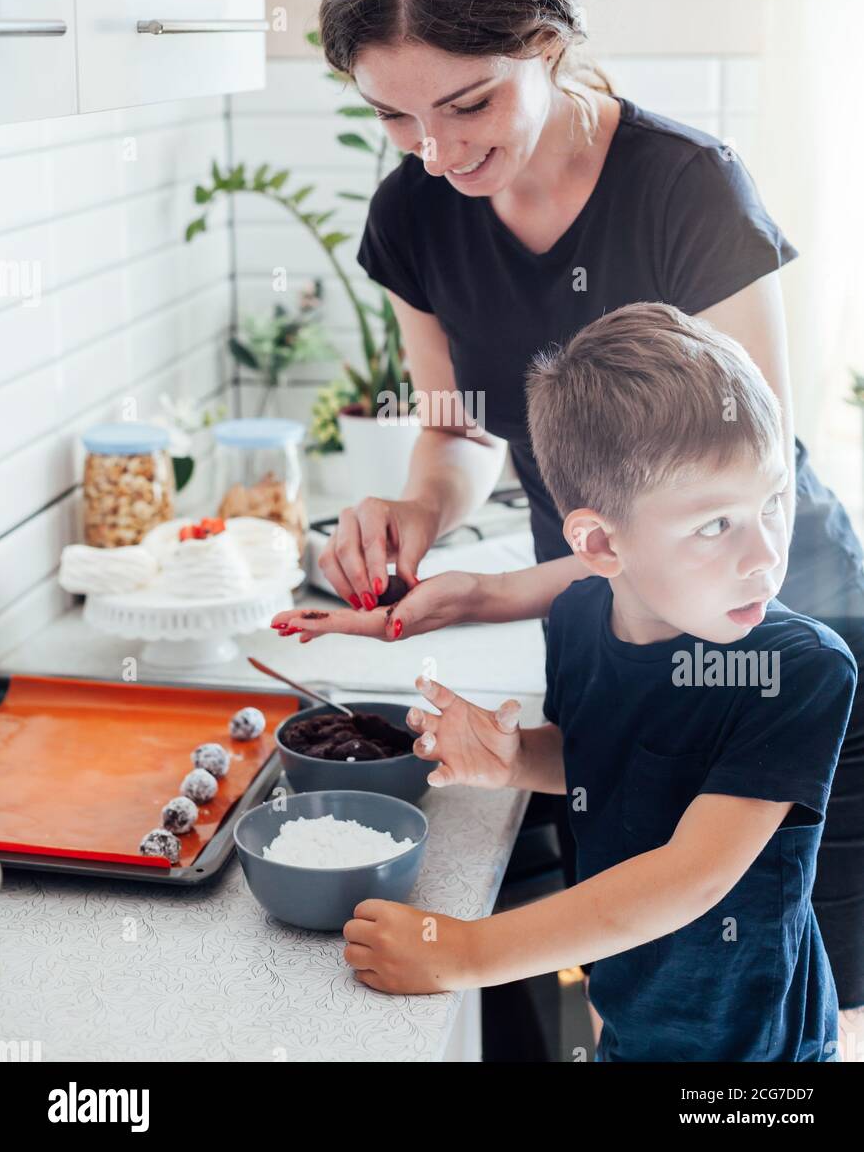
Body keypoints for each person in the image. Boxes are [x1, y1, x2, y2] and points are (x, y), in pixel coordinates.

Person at [272, 0, 864, 1050]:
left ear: (547, 40)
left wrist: (515, 584)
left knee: (783, 986)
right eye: (393, 114)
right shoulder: (414, 213)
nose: (433, 152)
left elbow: (746, 476)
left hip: (753, 604)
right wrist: (422, 511)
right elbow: (459, 425)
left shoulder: (686, 189)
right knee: (647, 977)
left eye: (469, 104)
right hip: (604, 617)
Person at [337, 304, 854, 1062]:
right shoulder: (579, 620)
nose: (764, 554)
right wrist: (517, 760)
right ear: (599, 543)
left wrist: (469, 954)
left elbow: (691, 878)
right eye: (716, 525)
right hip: (629, 1015)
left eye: (771, 502)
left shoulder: (802, 670)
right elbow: (605, 759)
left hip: (755, 1055)